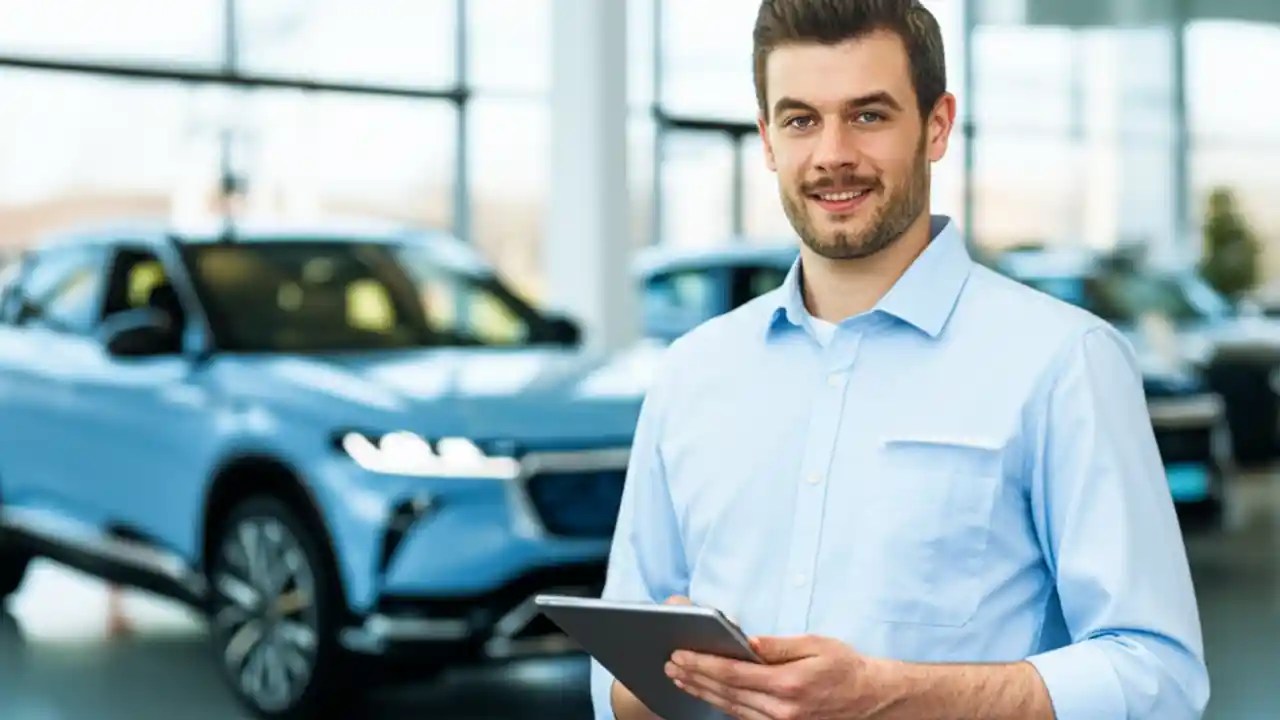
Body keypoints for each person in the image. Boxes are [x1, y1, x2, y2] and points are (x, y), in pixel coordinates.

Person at [591, 1, 1210, 719]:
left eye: (869, 115)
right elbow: (614, 675)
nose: (831, 155)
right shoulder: (692, 372)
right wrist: (689, 682)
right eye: (800, 120)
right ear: (766, 139)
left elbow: (1158, 676)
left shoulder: (1064, 361)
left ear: (937, 125)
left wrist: (891, 697)